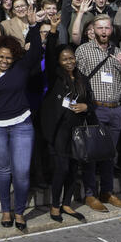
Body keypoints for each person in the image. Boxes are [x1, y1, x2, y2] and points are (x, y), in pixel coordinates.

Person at [0, 28, 44, 231]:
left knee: (21, 172)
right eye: (1, 57)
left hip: (22, 125)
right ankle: (6, 210)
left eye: (9, 57)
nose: (5, 60)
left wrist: (34, 27)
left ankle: (20, 211)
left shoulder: (20, 68)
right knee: (3, 171)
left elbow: (35, 53)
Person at [74, 15, 121, 212]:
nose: (104, 32)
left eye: (107, 28)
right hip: (95, 109)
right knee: (92, 154)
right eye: (100, 28)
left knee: (110, 154)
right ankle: (90, 194)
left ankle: (107, 191)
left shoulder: (118, 52)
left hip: (115, 109)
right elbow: (78, 80)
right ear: (93, 30)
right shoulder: (83, 50)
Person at [38, 46, 89, 222]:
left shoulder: (82, 77)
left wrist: (86, 107)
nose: (69, 62)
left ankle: (67, 204)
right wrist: (52, 31)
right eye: (65, 59)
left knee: (74, 169)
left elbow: (90, 101)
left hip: (76, 130)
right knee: (62, 168)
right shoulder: (55, 76)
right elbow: (50, 56)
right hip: (59, 130)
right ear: (59, 62)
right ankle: (54, 206)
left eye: (71, 58)